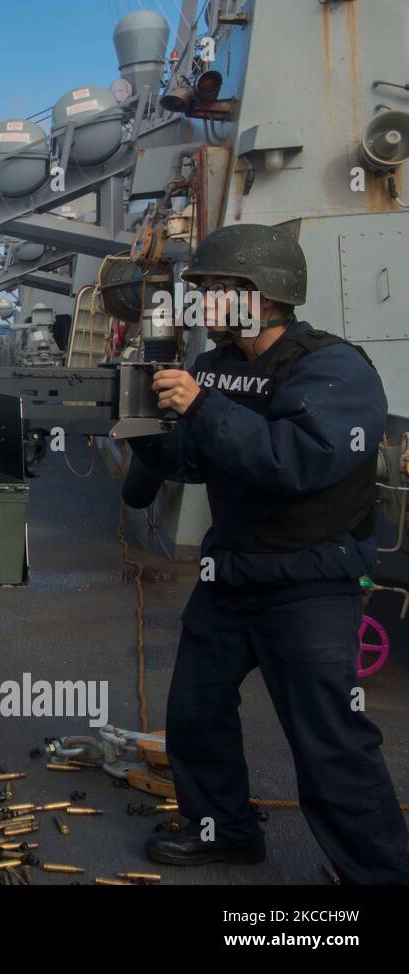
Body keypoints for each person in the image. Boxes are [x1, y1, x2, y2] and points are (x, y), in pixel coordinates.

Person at [128, 223, 409, 884]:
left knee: (330, 741)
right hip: (232, 573)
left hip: (309, 581)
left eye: (218, 287)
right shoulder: (218, 368)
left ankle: (380, 875)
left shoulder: (333, 367)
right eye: (201, 289)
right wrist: (139, 424)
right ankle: (223, 830)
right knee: (195, 715)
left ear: (267, 293)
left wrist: (202, 408)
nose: (204, 300)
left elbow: (297, 463)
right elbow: (200, 457)